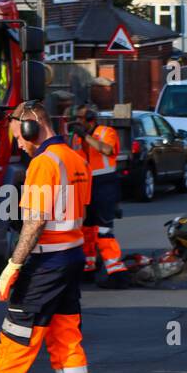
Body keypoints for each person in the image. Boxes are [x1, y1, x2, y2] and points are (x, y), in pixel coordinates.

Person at [0, 100, 92, 373]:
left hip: (45, 264)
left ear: (31, 127)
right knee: (66, 338)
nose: (18, 145)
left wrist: (14, 264)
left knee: (16, 337)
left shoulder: (44, 164)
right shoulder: (76, 159)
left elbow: (35, 222)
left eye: (19, 137)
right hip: (71, 258)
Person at [70, 104, 129, 288]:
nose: (78, 122)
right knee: (86, 229)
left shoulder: (106, 132)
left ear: (90, 119)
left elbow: (107, 150)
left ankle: (116, 271)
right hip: (85, 184)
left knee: (103, 229)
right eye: (77, 119)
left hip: (104, 184)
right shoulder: (77, 138)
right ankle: (89, 266)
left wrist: (85, 136)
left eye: (81, 119)